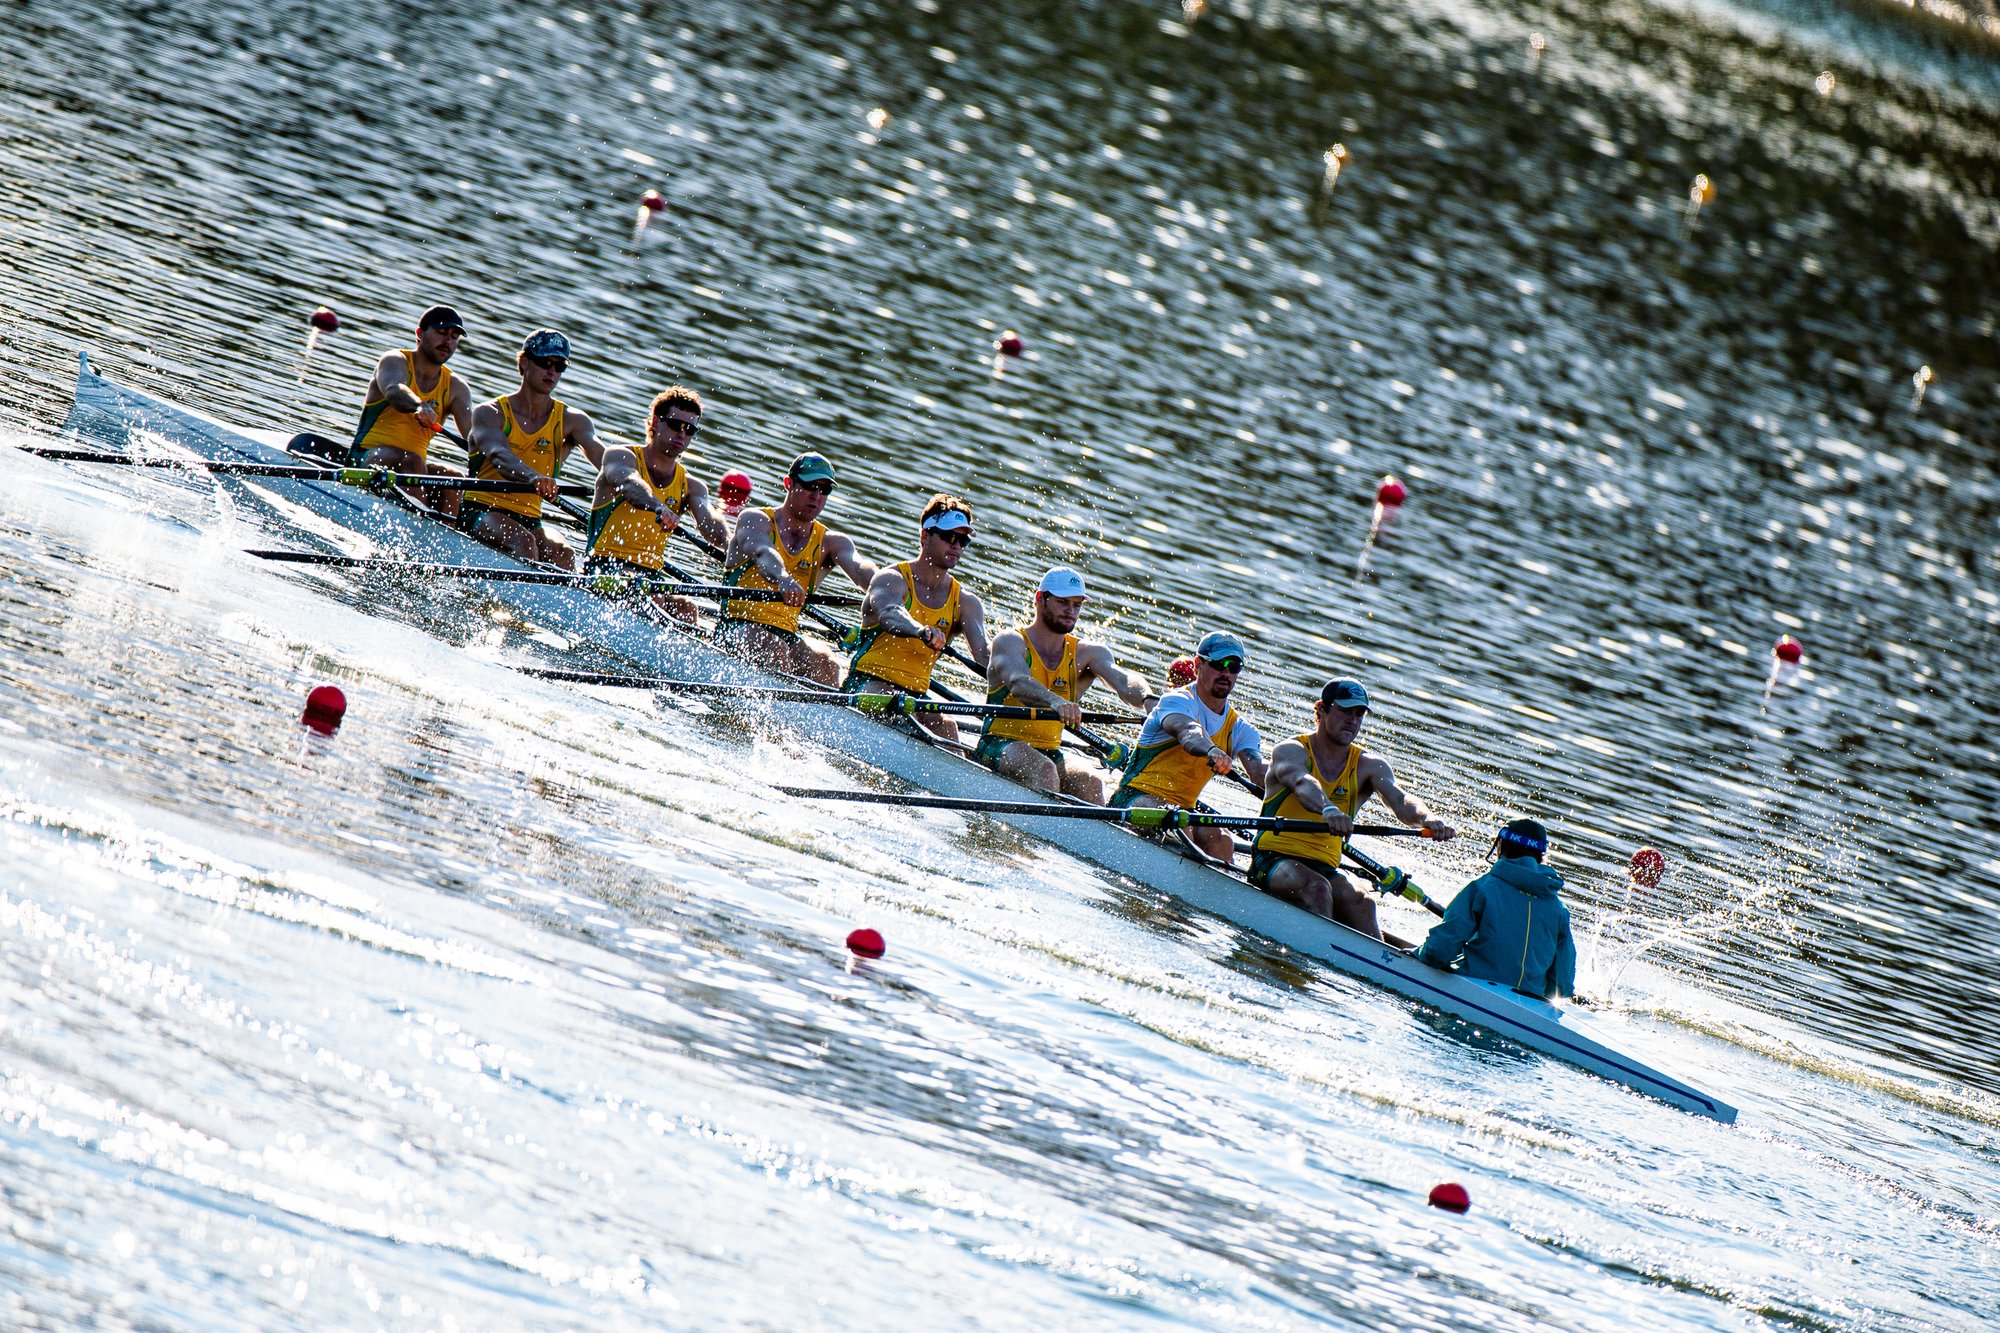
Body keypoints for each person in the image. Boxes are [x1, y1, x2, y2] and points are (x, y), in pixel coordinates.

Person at [1249, 678, 1457, 940]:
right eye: (1345, 711)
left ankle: (1378, 967)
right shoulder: (1291, 750)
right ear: (1322, 710)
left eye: (1359, 714)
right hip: (1272, 858)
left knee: (1363, 902)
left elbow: (1401, 800)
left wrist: (1428, 818)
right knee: (1317, 889)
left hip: (1325, 866)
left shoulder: (1370, 765)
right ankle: (1323, 956)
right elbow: (1302, 783)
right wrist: (1329, 810)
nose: (1353, 720)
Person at [975, 567, 1156, 801]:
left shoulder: (1088, 654)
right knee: (1045, 771)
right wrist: (1055, 700)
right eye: (1062, 602)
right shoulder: (1010, 641)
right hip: (999, 743)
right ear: (1040, 599)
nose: (1071, 611)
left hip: (1051, 751)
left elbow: (1123, 680)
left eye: (1077, 605)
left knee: (1091, 782)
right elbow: (1018, 682)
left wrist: (1148, 699)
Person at [715, 453, 875, 685]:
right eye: (810, 486)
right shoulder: (755, 520)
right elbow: (763, 552)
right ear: (789, 483)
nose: (817, 496)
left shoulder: (831, 542)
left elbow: (863, 570)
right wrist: (783, 579)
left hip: (785, 634)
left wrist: (893, 594)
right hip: (736, 626)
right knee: (774, 647)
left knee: (825, 662)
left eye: (825, 490)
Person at [1109, 631, 1268, 865]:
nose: (1226, 672)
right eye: (1218, 664)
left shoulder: (1242, 729)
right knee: (1179, 822)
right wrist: (1212, 750)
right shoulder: (1176, 701)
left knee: (1222, 840)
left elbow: (1259, 772)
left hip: (1182, 811)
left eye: (1234, 666)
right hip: (1133, 799)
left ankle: (1220, 893)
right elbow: (1188, 732)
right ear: (1198, 665)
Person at [845, 495, 991, 742]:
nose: (956, 546)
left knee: (947, 726)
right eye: (949, 537)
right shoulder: (891, 578)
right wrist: (921, 631)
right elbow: (890, 613)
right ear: (925, 536)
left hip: (916, 697)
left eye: (963, 540)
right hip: (868, 684)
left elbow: (986, 656)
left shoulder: (966, 602)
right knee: (886, 699)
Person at [583, 387, 729, 622]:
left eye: (690, 429)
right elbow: (630, 484)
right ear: (655, 422)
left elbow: (710, 522)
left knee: (687, 608)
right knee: (651, 595)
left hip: (650, 576)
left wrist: (732, 546)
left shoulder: (692, 486)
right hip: (603, 567)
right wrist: (658, 507)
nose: (682, 434)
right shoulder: (620, 456)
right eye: (675, 425)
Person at [462, 330, 605, 570]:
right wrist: (533, 477)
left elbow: (605, 460)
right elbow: (499, 455)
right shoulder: (490, 412)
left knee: (563, 553)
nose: (552, 371)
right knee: (524, 542)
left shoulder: (573, 421)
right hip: (481, 510)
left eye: (560, 366)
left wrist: (634, 484)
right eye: (544, 362)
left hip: (530, 519)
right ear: (524, 362)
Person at [1416, 818, 1577, 1000]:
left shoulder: (1482, 889)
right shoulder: (1559, 909)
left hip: (1472, 991)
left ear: (1500, 845)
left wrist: (1416, 955)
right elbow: (1563, 985)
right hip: (1531, 1004)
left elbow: (1437, 952)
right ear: (1541, 856)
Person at [350, 304, 474, 516]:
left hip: (412, 469)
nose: (448, 341)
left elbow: (474, 437)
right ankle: (421, 526)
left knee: (454, 478)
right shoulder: (395, 361)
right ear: (419, 334)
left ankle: (447, 535)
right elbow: (393, 390)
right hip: (367, 457)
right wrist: (418, 405)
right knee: (413, 460)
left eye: (454, 337)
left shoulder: (456, 387)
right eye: (441, 333)